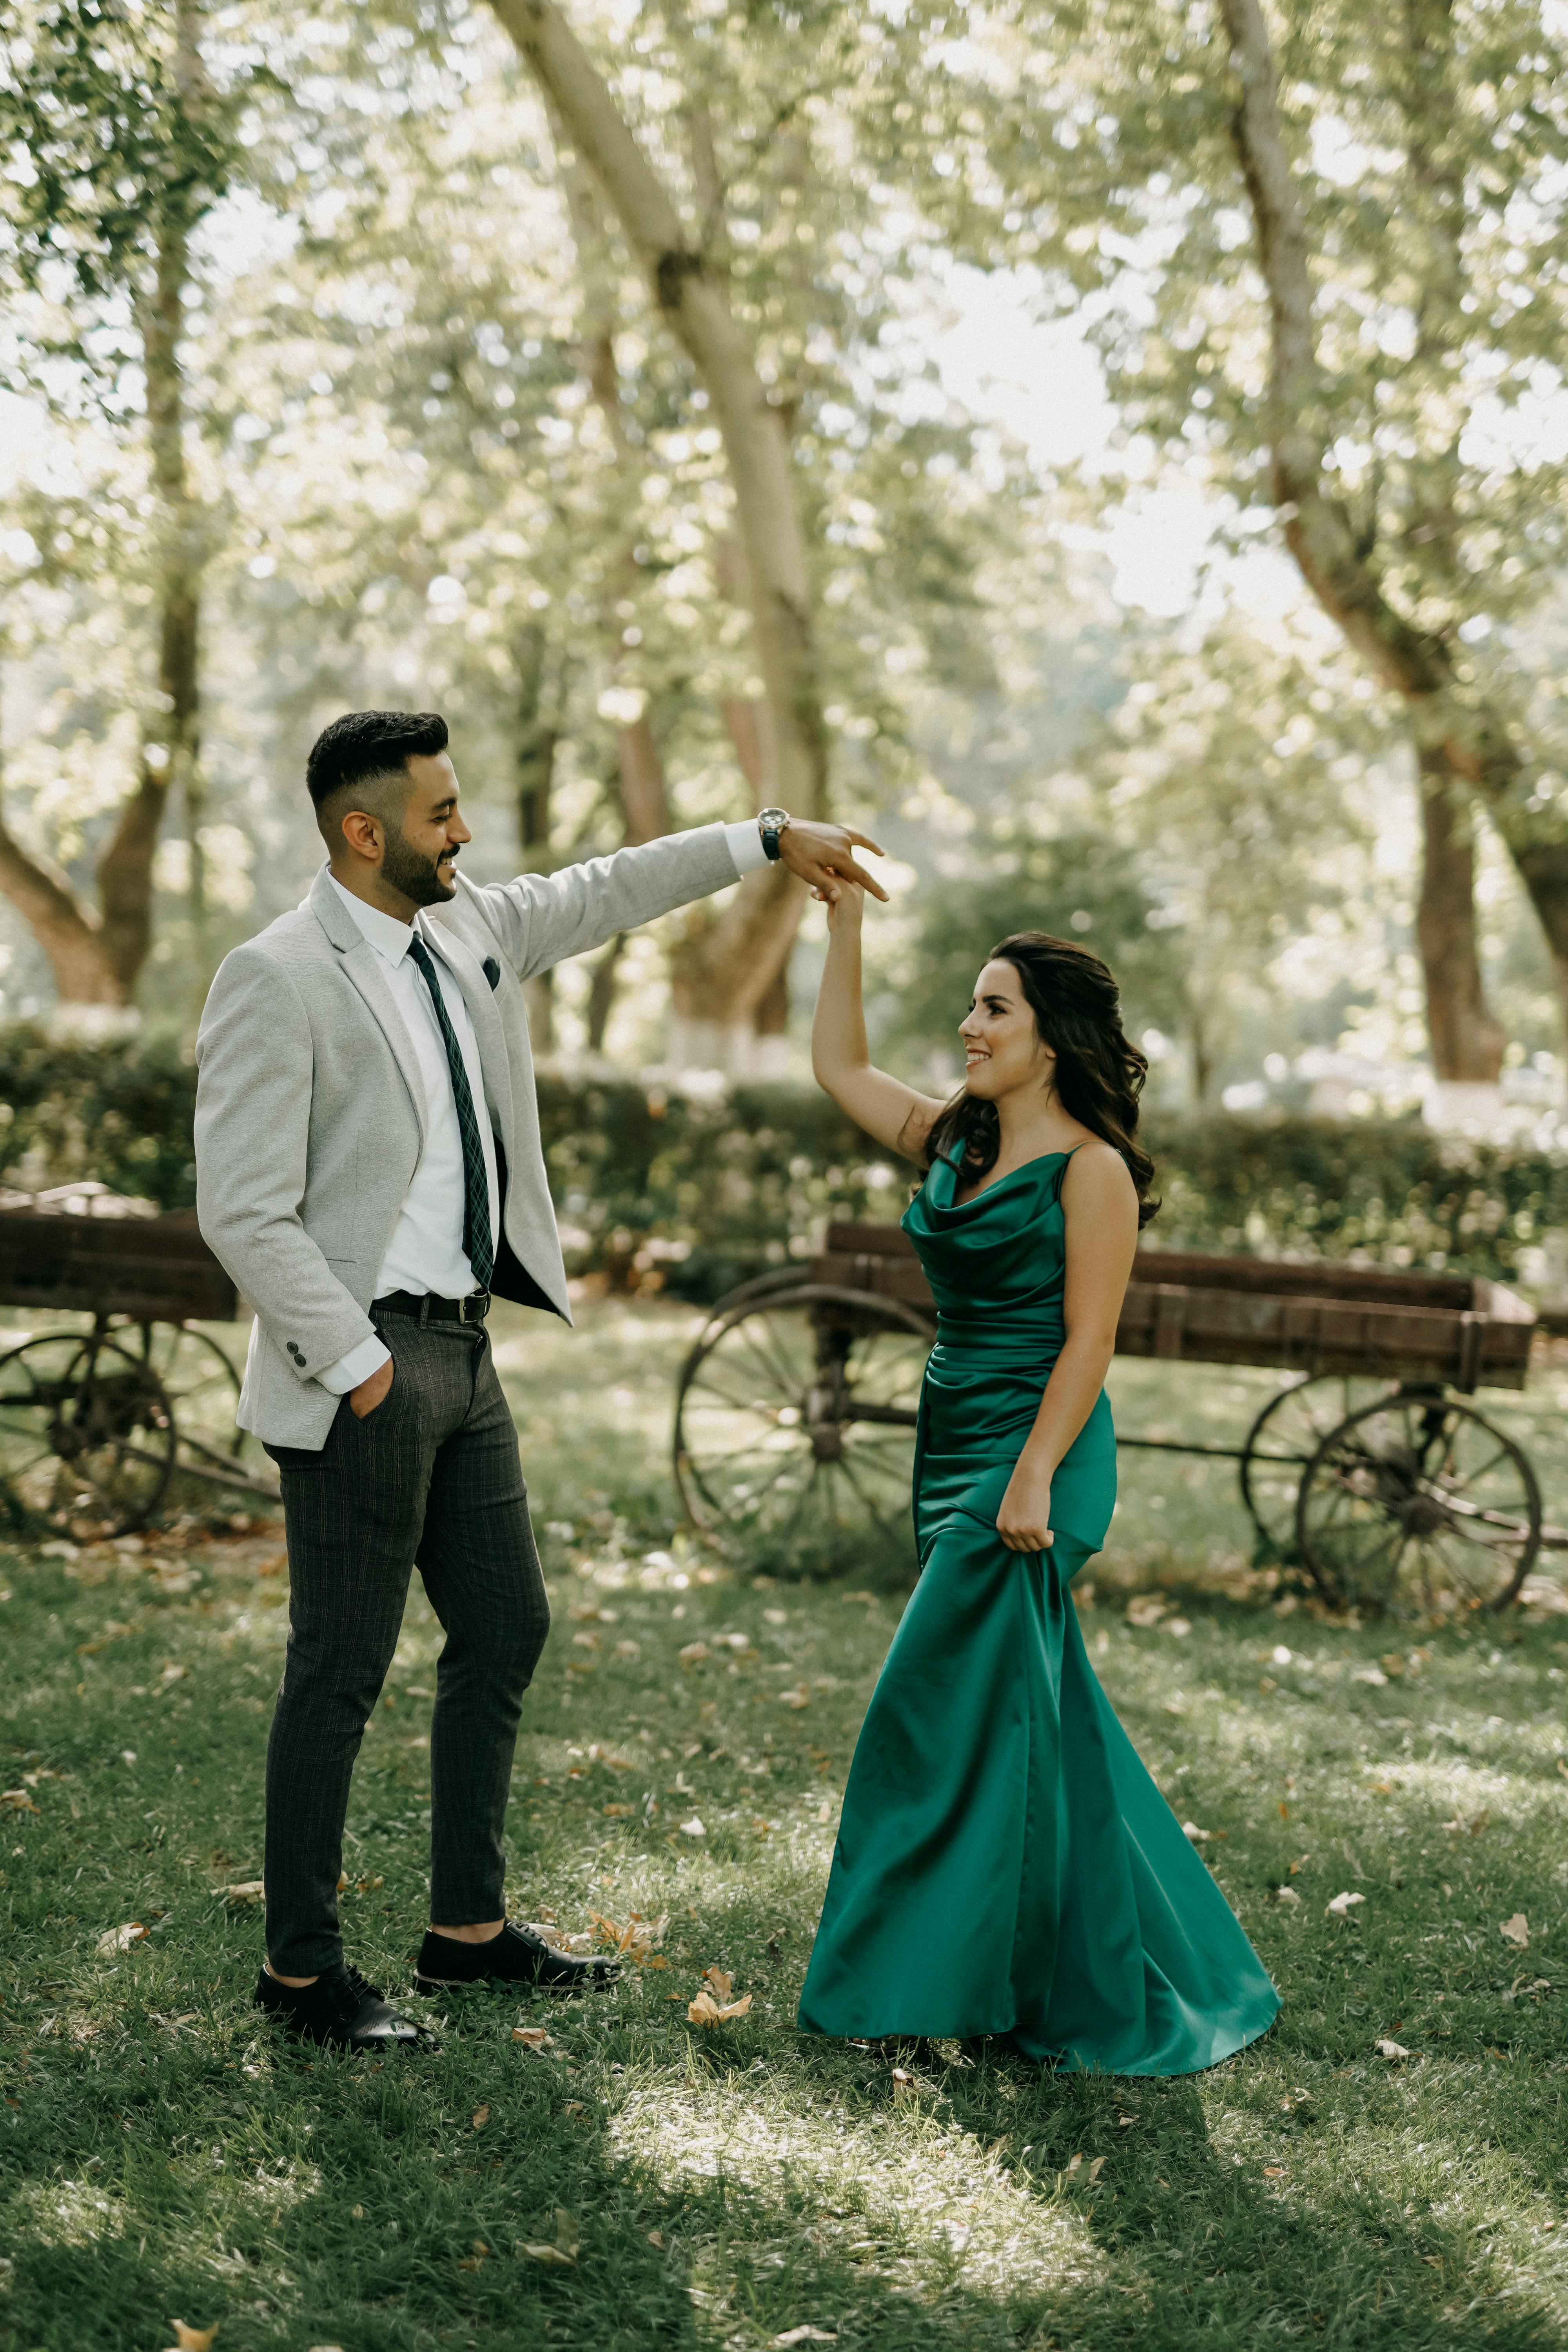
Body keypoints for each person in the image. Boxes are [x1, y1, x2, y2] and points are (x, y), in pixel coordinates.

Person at [194, 707, 885, 2052]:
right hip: (364, 1368)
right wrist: (357, 1368)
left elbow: (604, 889)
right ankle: (299, 1976)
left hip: (466, 1348)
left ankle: (466, 1935)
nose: (464, 832)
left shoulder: (468, 929)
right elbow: (243, 1209)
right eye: (441, 813)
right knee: (340, 1670)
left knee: (504, 1627)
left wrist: (760, 836)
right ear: (363, 830)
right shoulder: (277, 976)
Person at [796, 884, 1278, 2072]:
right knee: (1023, 1720)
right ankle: (1044, 1975)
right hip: (952, 1433)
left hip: (1035, 1454)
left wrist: (1033, 1480)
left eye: (995, 1010)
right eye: (971, 1006)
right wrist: (843, 925)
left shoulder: (1091, 1171)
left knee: (930, 1719)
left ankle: (916, 1989)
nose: (972, 1028)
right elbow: (840, 1068)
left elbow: (1090, 1342)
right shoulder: (958, 1135)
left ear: (1051, 1036)